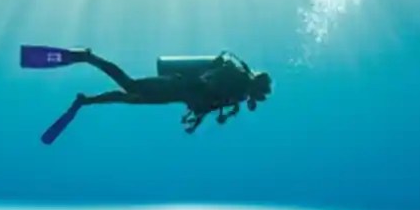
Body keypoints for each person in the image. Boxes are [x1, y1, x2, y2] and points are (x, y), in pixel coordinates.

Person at [67, 49, 271, 133]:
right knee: (130, 86)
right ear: (258, 86)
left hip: (175, 95)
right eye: (260, 95)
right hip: (176, 85)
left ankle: (88, 101)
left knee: (130, 96)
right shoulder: (236, 78)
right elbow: (207, 84)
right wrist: (198, 112)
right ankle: (89, 57)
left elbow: (209, 105)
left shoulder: (239, 95)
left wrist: (195, 123)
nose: (257, 100)